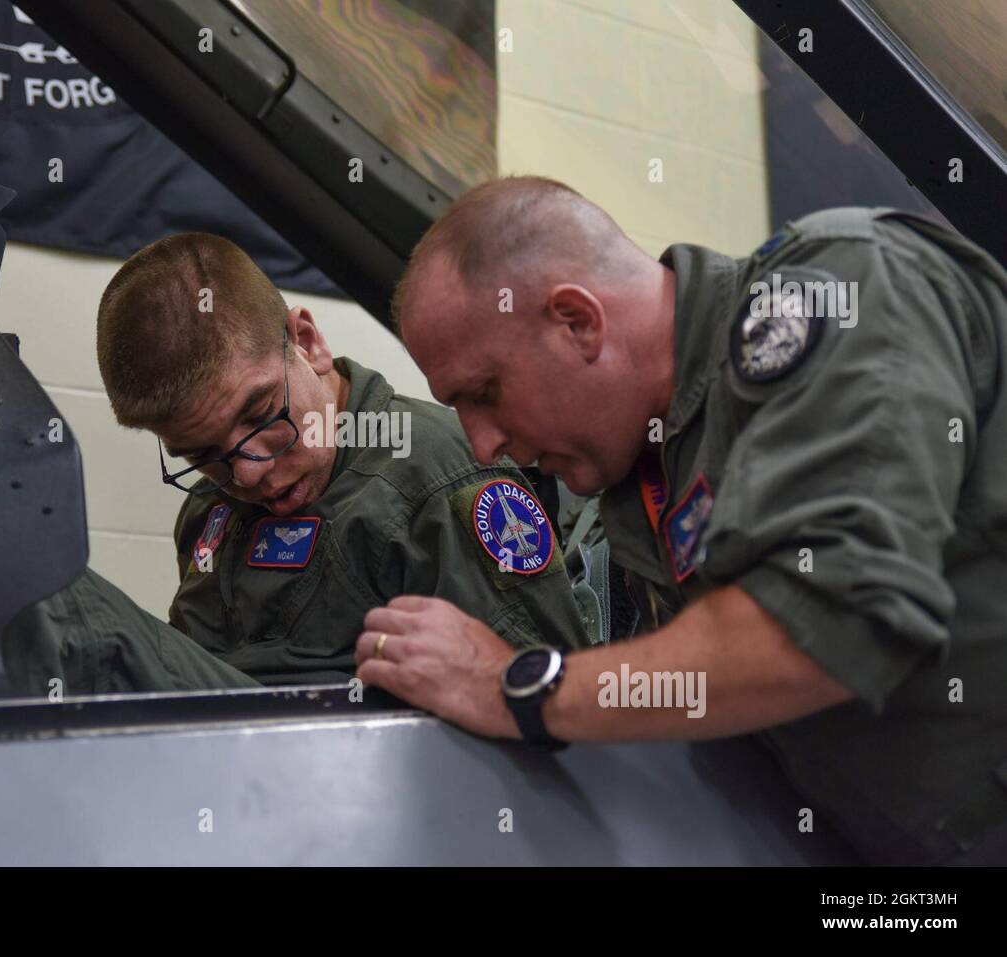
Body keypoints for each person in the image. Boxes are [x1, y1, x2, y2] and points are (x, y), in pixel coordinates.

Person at [356, 175, 1007, 864]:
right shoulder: (646, 472)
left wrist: (519, 687)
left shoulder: (837, 291)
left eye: (484, 393)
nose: (482, 443)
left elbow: (836, 624)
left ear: (577, 321)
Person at [3, 231, 590, 695]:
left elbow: (541, 688)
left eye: (260, 415)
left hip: (363, 793)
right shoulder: (214, 508)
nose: (249, 473)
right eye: (204, 455)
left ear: (307, 343)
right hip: (228, 786)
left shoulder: (438, 483)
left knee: (68, 610)